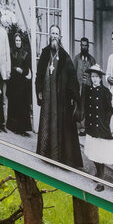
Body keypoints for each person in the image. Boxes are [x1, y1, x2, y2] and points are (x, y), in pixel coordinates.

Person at [35, 24, 83, 168]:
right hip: (47, 97)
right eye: (52, 33)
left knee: (59, 125)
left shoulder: (64, 56)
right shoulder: (44, 53)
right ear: (49, 35)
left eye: (56, 33)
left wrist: (73, 96)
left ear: (59, 37)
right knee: (46, 122)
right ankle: (45, 153)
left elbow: (73, 77)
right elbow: (39, 73)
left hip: (59, 100)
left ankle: (58, 156)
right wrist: (39, 90)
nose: (54, 36)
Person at [82, 65, 113, 192]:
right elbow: (86, 107)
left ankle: (101, 182)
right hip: (91, 127)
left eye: (96, 77)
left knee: (100, 156)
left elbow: (109, 109)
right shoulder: (89, 90)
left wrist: (105, 122)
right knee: (93, 154)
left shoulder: (105, 92)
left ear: (100, 78)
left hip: (101, 127)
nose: (94, 79)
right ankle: (97, 173)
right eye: (92, 77)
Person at [6, 30, 33, 136]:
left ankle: (23, 128)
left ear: (21, 41)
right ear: (14, 41)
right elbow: (9, 64)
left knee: (22, 105)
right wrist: (15, 69)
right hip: (13, 82)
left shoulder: (25, 53)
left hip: (22, 83)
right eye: (16, 40)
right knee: (13, 103)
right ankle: (13, 126)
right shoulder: (11, 51)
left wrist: (23, 71)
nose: (18, 42)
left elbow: (27, 68)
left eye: (19, 40)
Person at [74, 37, 96, 134]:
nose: (84, 47)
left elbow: (96, 74)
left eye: (86, 45)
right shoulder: (76, 59)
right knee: (78, 107)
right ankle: (79, 128)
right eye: (82, 45)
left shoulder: (92, 60)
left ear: (88, 46)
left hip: (88, 87)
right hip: (79, 87)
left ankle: (85, 128)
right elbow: (73, 73)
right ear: (80, 46)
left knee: (87, 107)